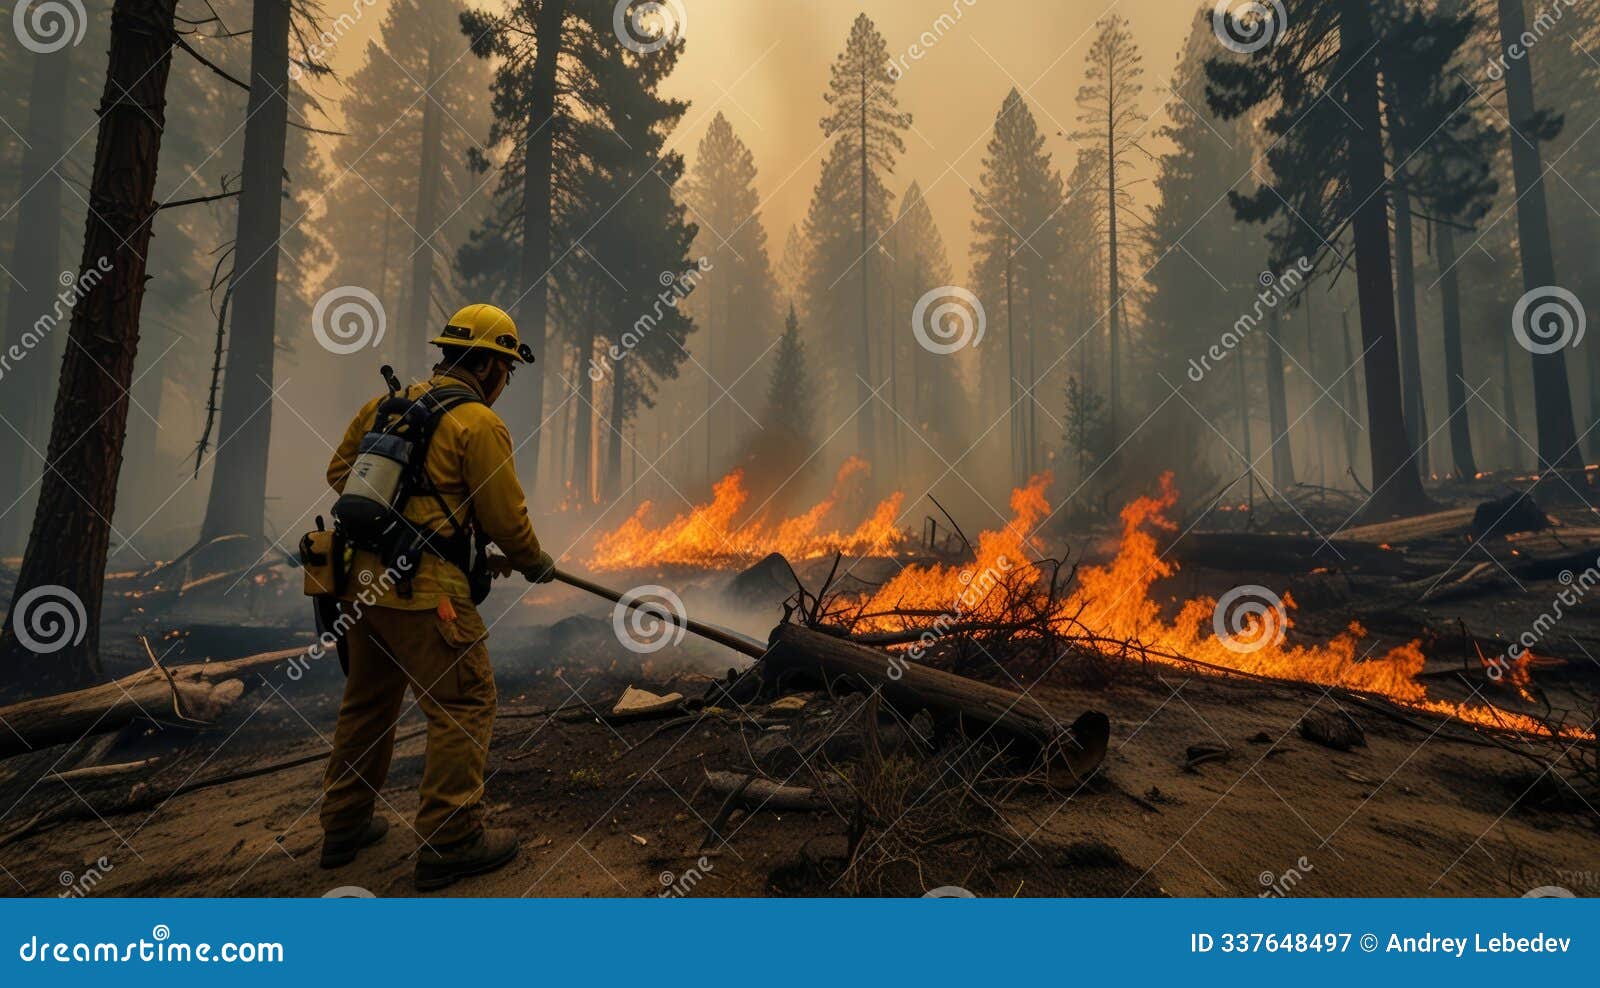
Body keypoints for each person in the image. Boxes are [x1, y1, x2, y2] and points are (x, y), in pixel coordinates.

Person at [318, 303, 555, 891]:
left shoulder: (387, 406)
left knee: (368, 703)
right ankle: (450, 840)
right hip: (424, 594)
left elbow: (339, 472)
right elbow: (506, 517)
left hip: (360, 589)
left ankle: (343, 826)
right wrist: (535, 562)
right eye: (506, 369)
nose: (505, 382)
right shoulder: (478, 424)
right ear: (492, 365)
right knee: (464, 699)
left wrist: (412, 505)